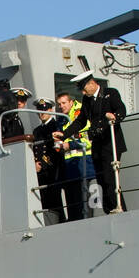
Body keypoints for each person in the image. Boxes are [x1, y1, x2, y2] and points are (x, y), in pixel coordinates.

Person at [71, 70, 127, 213]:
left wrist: (114, 116)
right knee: (101, 179)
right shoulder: (87, 100)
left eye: (84, 89)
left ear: (92, 84)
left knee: (110, 178)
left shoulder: (110, 93)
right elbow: (81, 121)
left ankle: (119, 208)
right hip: (97, 144)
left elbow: (121, 109)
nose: (83, 93)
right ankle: (109, 210)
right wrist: (64, 134)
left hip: (111, 142)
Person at [30, 99, 66, 224]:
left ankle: (58, 222)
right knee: (44, 199)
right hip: (40, 170)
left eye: (45, 110)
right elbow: (36, 149)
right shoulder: (37, 130)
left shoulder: (55, 126)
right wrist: (35, 163)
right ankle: (48, 223)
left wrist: (44, 164)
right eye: (40, 111)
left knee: (54, 199)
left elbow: (56, 150)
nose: (42, 113)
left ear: (50, 110)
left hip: (53, 168)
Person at [54, 92, 87, 222]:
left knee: (83, 207)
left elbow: (87, 140)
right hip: (70, 168)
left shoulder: (80, 114)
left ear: (71, 102)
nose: (61, 106)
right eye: (59, 104)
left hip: (83, 165)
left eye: (64, 103)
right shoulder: (62, 119)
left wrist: (70, 145)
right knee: (74, 208)